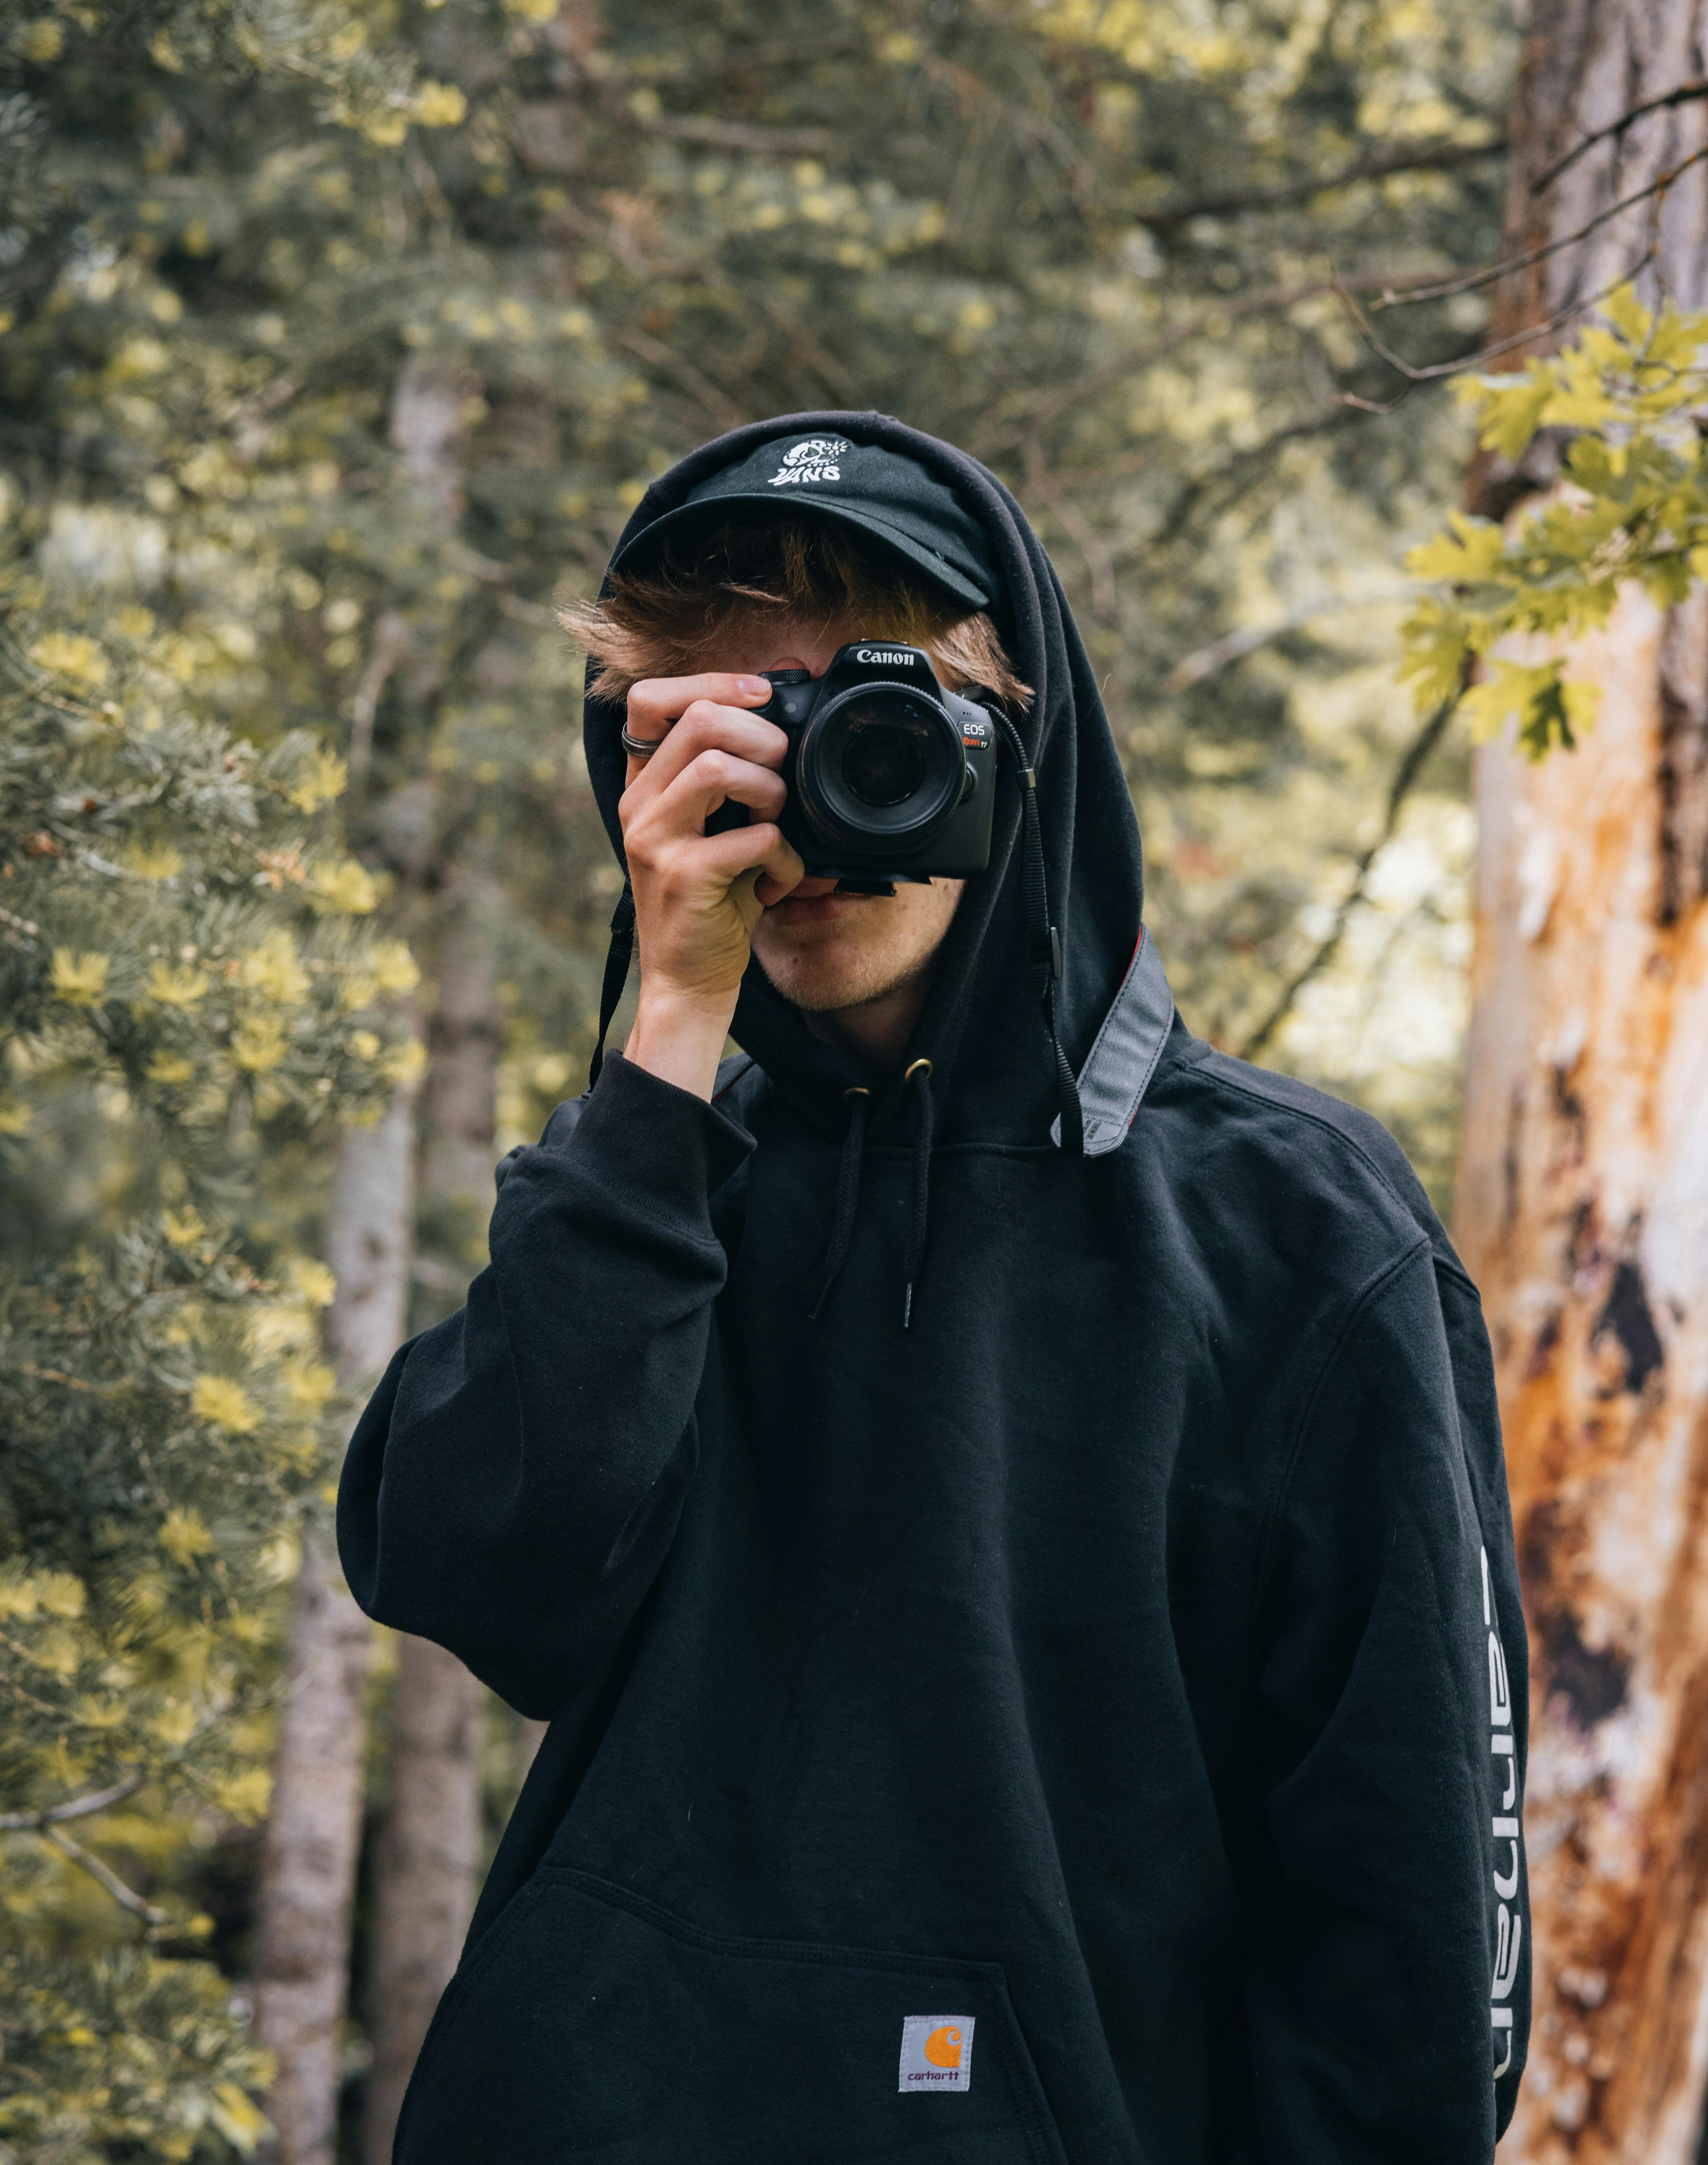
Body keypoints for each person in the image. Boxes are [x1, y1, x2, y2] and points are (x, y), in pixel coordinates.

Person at [339, 412, 1530, 2165]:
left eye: (877, 731)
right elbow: (477, 1581)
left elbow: (1413, 1932)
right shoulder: (649, 1188)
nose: (807, 819)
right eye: (739, 744)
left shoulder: (1293, 1226)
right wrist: (668, 1037)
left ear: (1021, 756)